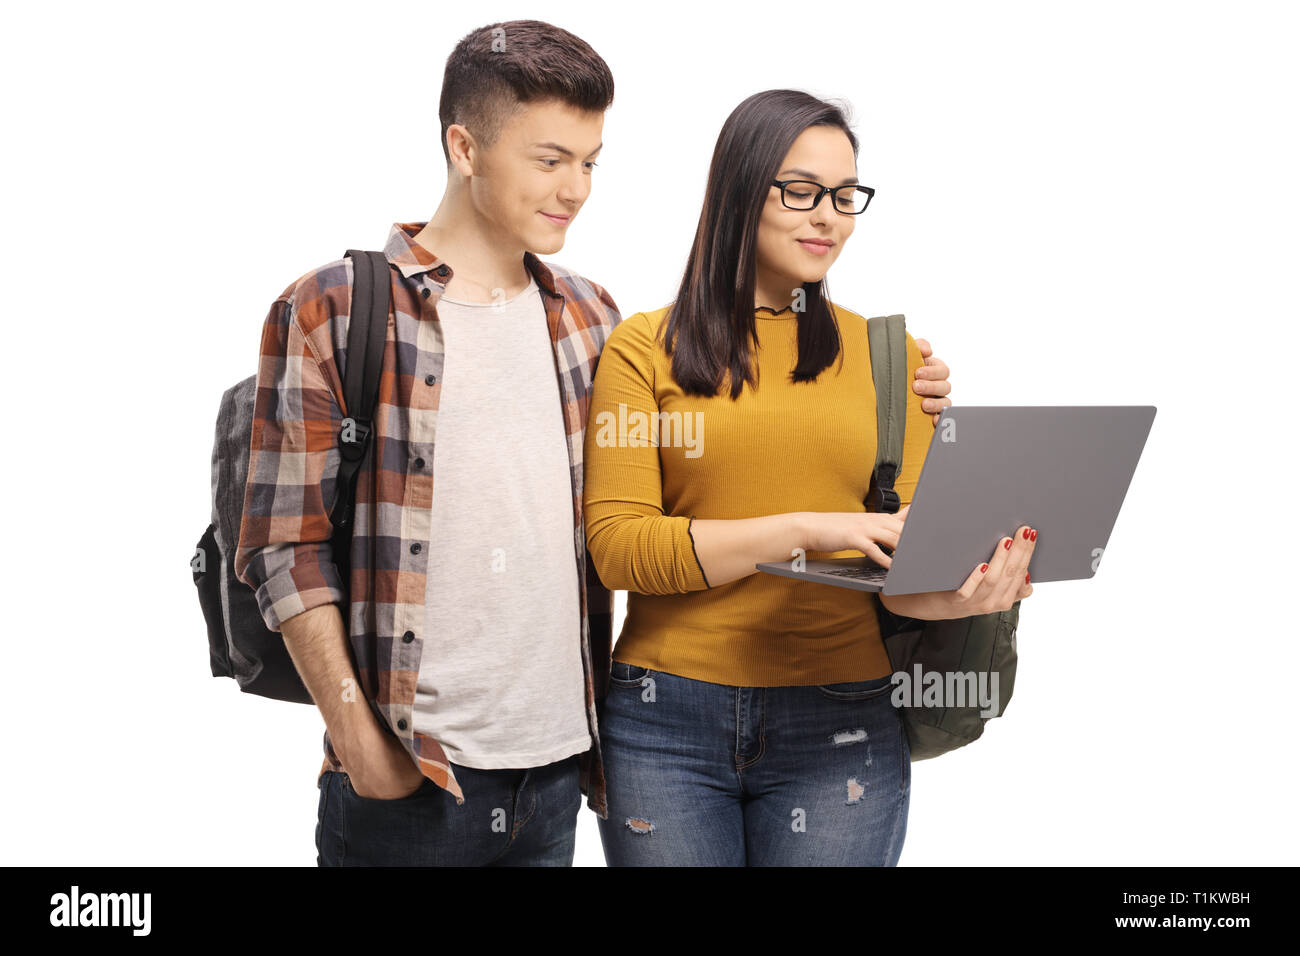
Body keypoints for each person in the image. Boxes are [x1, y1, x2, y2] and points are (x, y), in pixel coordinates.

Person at [235, 23, 955, 866]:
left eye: (591, 161)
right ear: (464, 147)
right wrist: (358, 740)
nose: (575, 188)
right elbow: (284, 546)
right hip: (412, 765)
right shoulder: (334, 307)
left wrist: (907, 398)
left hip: (559, 769)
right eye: (550, 160)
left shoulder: (588, 319)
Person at [583, 89, 1033, 867]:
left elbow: (901, 573)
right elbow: (620, 550)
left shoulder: (893, 360)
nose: (828, 216)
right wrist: (808, 529)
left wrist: (967, 593)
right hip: (664, 722)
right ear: (737, 190)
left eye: (845, 195)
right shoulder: (643, 347)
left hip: (842, 723)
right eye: (800, 191)